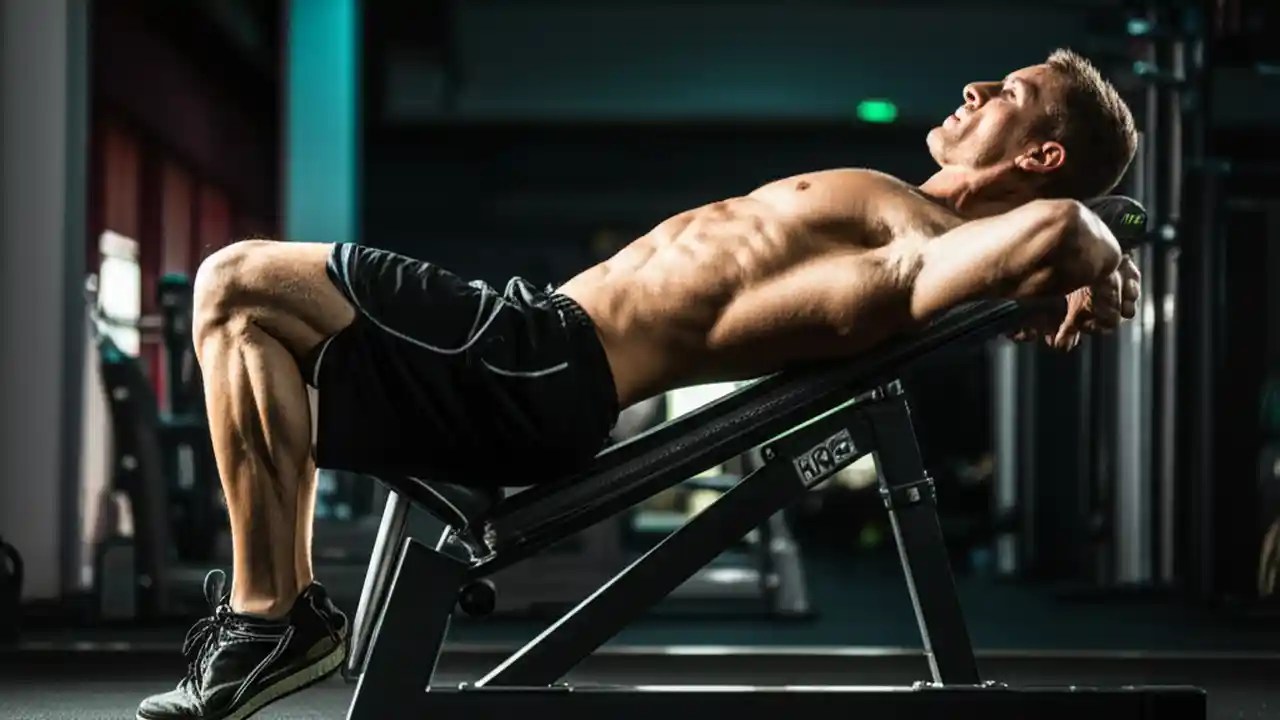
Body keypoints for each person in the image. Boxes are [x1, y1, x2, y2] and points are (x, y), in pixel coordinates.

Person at [137, 47, 1142, 720]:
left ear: (1037, 155)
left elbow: (1054, 230)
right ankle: (278, 616)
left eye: (1003, 95)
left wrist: (1093, 239)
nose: (974, 92)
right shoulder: (894, 213)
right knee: (252, 324)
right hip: (531, 354)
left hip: (541, 360)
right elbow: (1045, 237)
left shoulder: (912, 243)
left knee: (236, 279)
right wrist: (1082, 250)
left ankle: (273, 621)